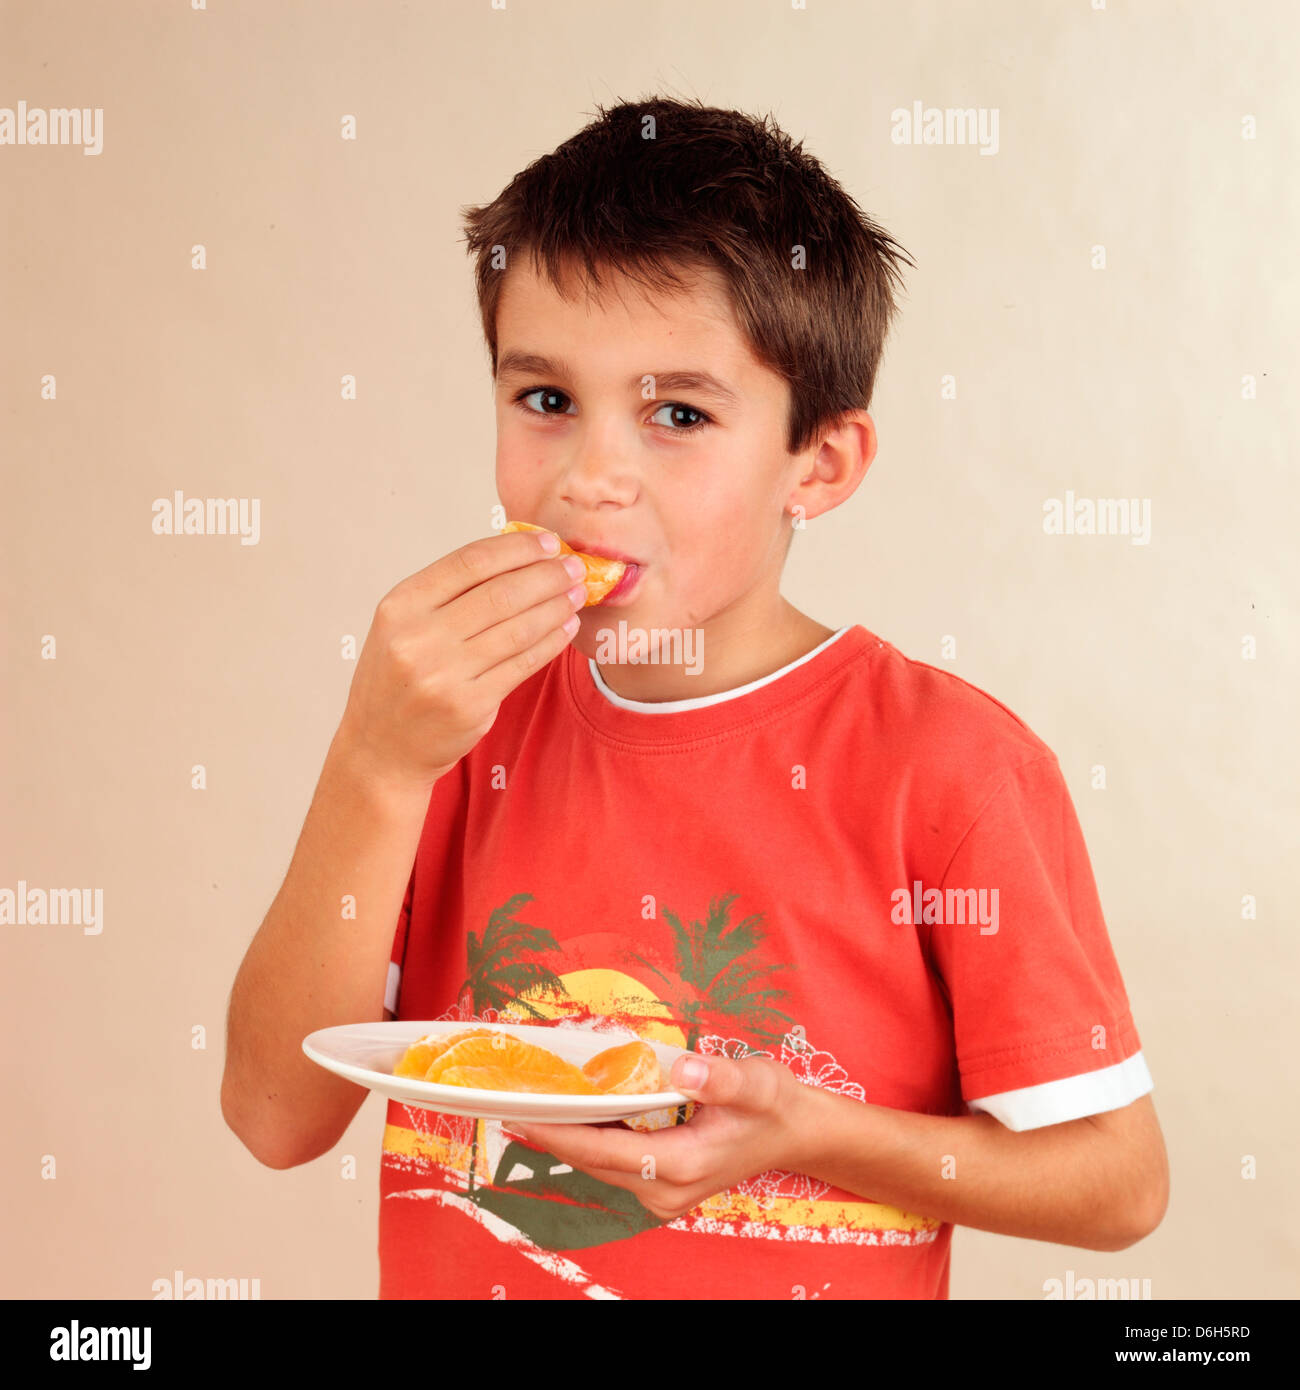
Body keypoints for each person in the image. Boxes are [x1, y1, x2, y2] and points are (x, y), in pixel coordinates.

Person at [221, 96, 1169, 1299]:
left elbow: (1116, 1183)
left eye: (677, 414)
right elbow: (272, 1116)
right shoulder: (453, 724)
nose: (591, 480)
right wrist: (375, 761)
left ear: (817, 465)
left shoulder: (949, 767)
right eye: (545, 400)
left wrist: (818, 1132)